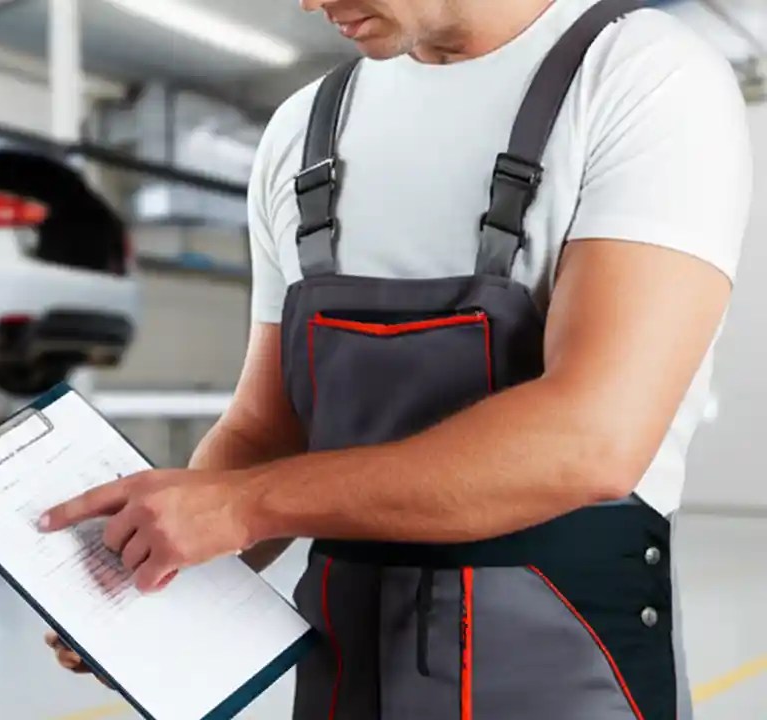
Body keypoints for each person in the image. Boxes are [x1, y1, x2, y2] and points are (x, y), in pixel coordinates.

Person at [43, 0, 752, 717]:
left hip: (566, 665)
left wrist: (243, 505)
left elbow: (590, 440)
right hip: (347, 671)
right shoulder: (303, 129)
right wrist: (153, 572)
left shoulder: (641, 77)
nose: (309, 2)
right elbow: (266, 427)